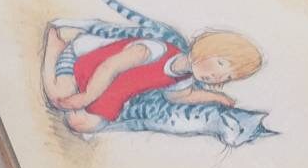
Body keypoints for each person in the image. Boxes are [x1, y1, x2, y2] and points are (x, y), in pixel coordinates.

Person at [40, 22, 263, 134]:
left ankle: (74, 98)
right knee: (58, 96)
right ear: (207, 47)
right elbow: (109, 66)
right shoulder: (155, 50)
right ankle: (56, 49)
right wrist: (87, 96)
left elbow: (182, 97)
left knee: (80, 124)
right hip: (89, 64)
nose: (218, 75)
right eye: (221, 63)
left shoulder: (183, 78)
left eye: (227, 76)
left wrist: (216, 97)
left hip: (112, 92)